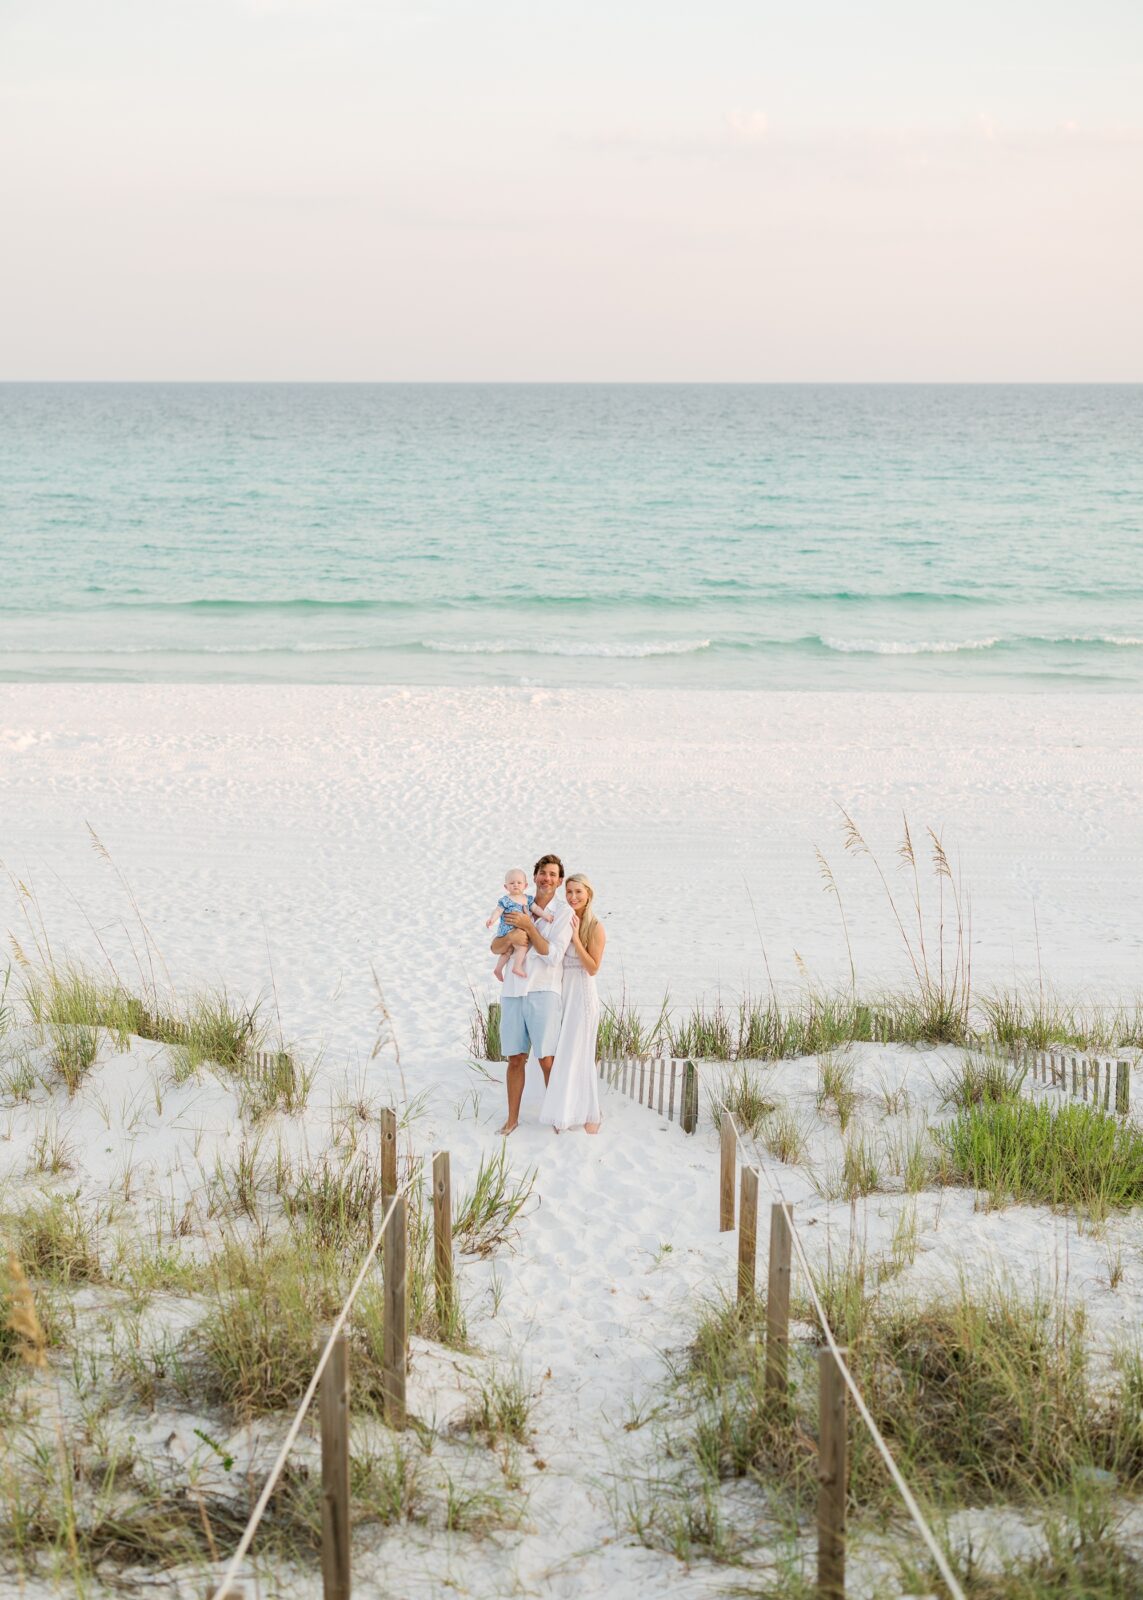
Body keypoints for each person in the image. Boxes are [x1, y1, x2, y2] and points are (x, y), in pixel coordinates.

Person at [491, 853, 573, 1135]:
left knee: (547, 1058)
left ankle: (556, 1117)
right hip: (513, 991)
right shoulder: (516, 903)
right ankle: (512, 1119)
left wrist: (527, 928)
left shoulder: (563, 913)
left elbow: (553, 955)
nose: (546, 878)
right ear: (534, 876)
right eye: (542, 873)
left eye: (552, 874)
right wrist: (510, 938)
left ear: (559, 881)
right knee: (515, 1058)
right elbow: (495, 947)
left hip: (544, 991)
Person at [539, 873, 606, 1135]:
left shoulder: (595, 926)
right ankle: (564, 1110)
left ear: (588, 894)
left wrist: (577, 937)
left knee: (580, 1053)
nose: (573, 897)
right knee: (563, 1052)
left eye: (578, 892)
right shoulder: (565, 919)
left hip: (582, 995)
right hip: (563, 993)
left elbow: (593, 968)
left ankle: (590, 1111)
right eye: (569, 892)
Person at [486, 866, 554, 982]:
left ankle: (498, 969)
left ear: (525, 886)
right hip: (507, 929)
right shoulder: (506, 899)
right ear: (506, 886)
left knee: (508, 951)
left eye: (519, 883)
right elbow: (498, 910)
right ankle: (517, 967)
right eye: (512, 883)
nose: (515, 885)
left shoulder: (527, 899)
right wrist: (492, 919)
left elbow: (536, 909)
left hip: (521, 928)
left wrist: (546, 915)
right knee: (521, 946)